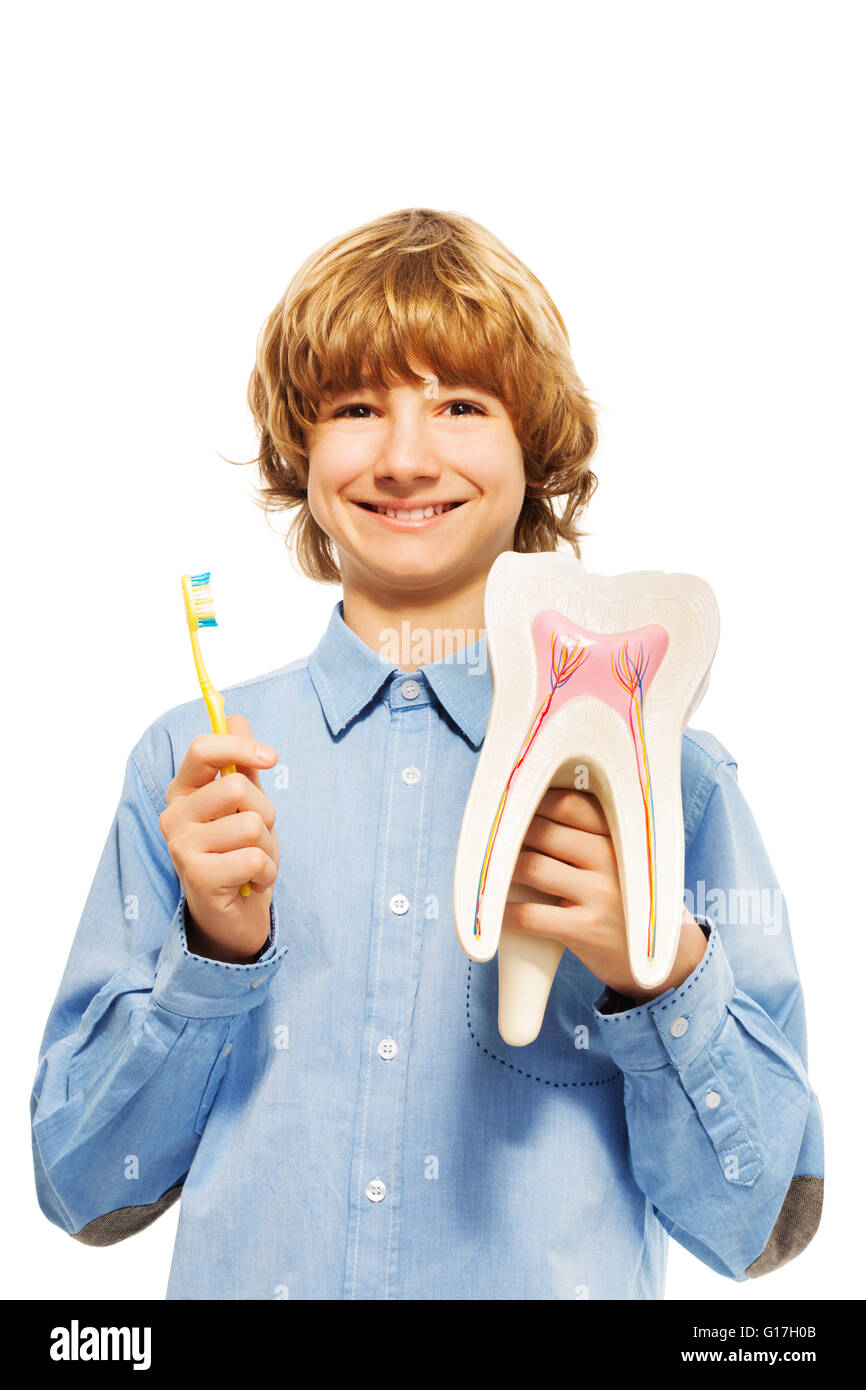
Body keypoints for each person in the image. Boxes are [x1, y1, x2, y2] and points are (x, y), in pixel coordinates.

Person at [30, 207, 823, 1299]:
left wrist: (655, 968)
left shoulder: (664, 777)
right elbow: (83, 1187)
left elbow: (762, 1222)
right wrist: (211, 955)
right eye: (357, 406)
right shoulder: (198, 768)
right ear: (297, 452)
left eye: (459, 404)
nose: (404, 457)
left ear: (529, 448)